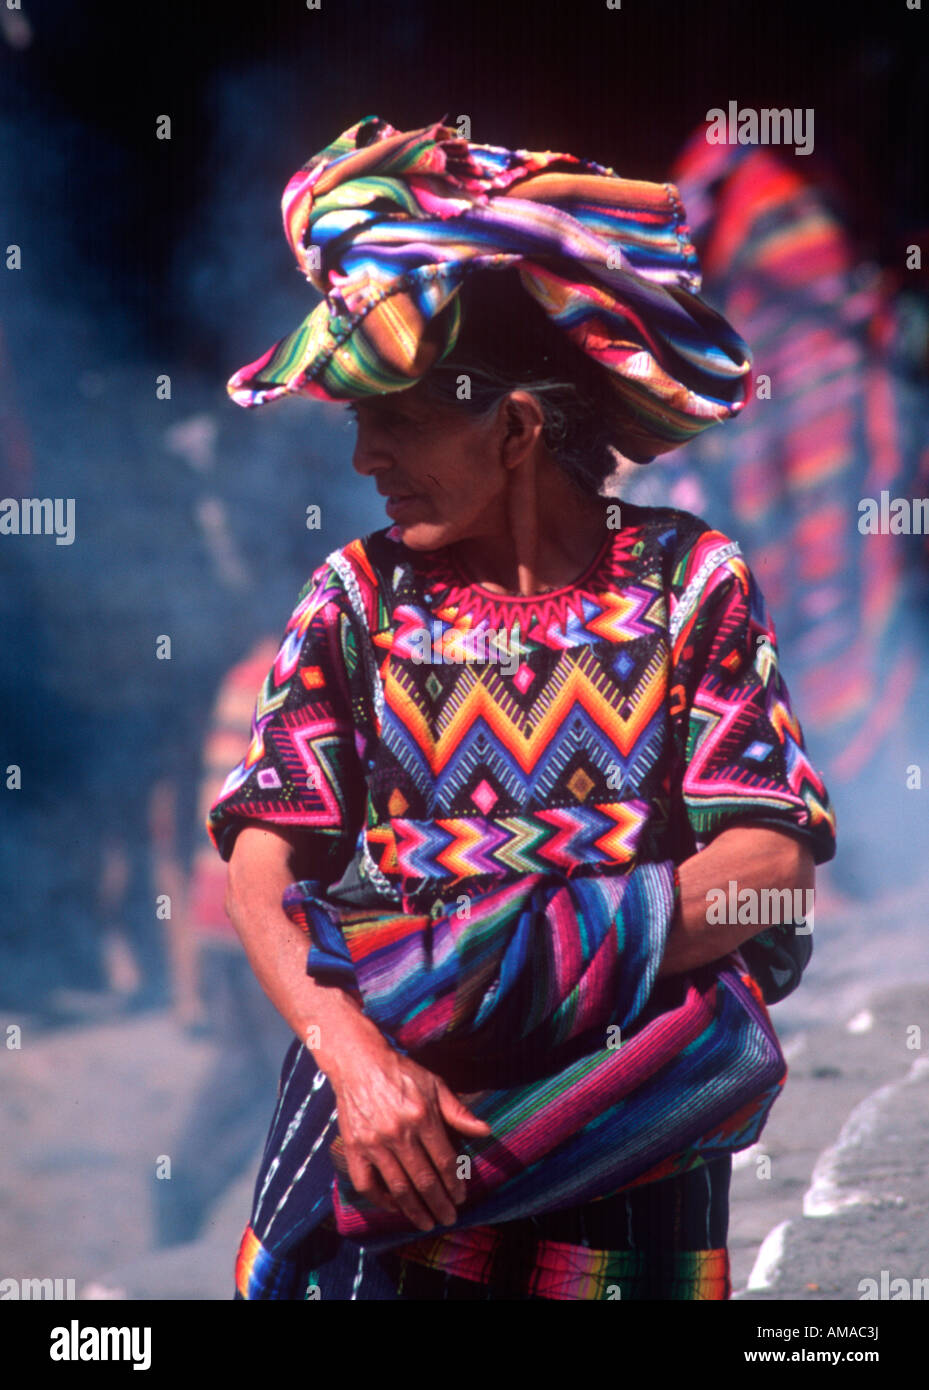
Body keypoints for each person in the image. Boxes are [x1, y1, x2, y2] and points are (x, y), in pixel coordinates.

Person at [206, 116, 836, 1300]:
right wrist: (359, 1063)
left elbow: (768, 862)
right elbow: (261, 861)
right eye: (358, 423)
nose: (365, 459)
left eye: (396, 420)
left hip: (626, 1141)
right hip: (400, 1143)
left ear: (514, 427)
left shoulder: (684, 583)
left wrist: (470, 973)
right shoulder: (357, 601)